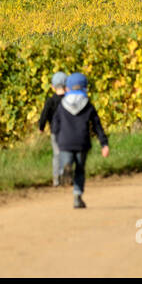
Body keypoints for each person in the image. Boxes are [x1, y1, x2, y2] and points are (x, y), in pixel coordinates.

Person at [51, 72, 110, 209]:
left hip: (65, 141)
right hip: (82, 142)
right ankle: (77, 196)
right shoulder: (88, 105)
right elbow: (97, 125)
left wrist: (56, 135)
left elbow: (55, 125)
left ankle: (64, 169)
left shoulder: (61, 105)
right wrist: (104, 143)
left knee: (64, 160)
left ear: (68, 88)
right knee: (80, 169)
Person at [37, 72, 69, 186]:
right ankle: (67, 176)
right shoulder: (68, 99)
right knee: (68, 153)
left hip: (55, 131)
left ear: (52, 87)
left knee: (57, 154)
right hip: (68, 131)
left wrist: (41, 127)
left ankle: (56, 179)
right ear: (66, 86)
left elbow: (44, 115)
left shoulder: (50, 101)